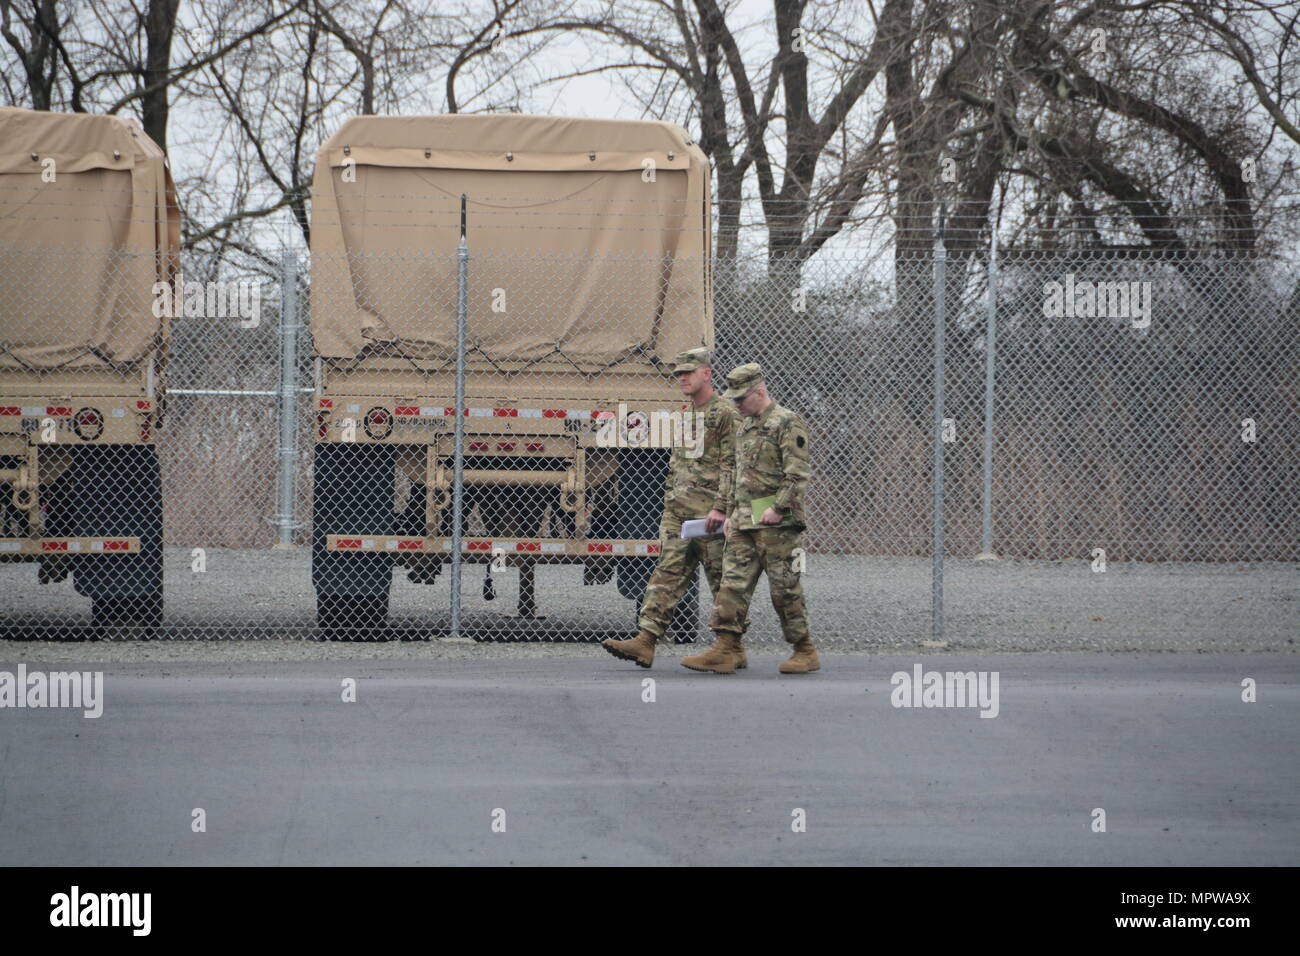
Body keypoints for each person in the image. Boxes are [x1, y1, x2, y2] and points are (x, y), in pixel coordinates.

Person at [601, 347, 746, 668]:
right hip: (680, 516)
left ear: (706, 373)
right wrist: (670, 506)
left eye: (688, 373)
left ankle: (728, 646)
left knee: (723, 581)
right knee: (666, 575)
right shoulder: (686, 413)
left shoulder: (724, 414)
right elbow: (680, 466)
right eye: (678, 373)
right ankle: (646, 640)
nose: (681, 378)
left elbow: (734, 466)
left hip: (711, 516)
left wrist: (721, 509)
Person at [681, 363, 819, 675]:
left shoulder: (786, 422)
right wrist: (727, 511)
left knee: (784, 589)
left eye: (742, 399)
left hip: (777, 524)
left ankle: (804, 649)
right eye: (734, 399)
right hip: (744, 521)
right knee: (732, 585)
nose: (737, 405)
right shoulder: (744, 427)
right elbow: (734, 473)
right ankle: (727, 648)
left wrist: (778, 509)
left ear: (760, 391)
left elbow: (797, 474)